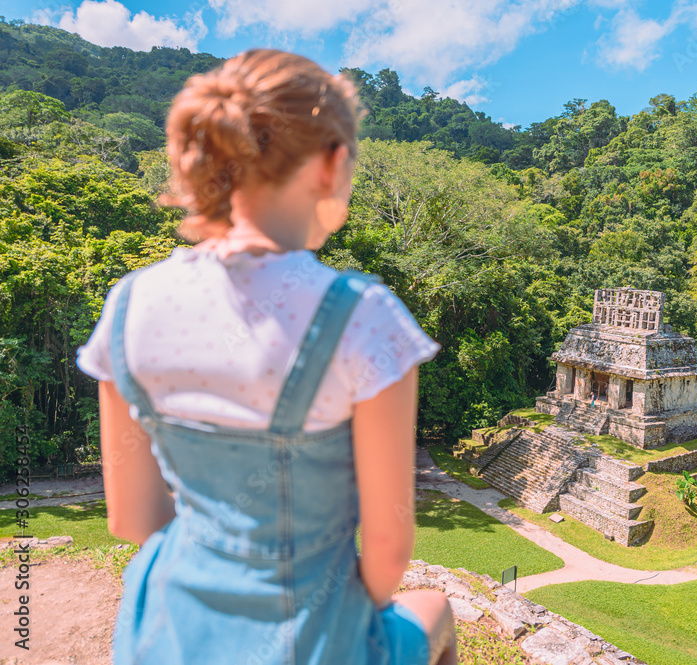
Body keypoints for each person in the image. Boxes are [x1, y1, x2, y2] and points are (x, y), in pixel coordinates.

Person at [76, 49, 457, 664]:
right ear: (332, 165)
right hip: (308, 635)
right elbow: (387, 553)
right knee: (433, 609)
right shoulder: (358, 314)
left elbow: (131, 518)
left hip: (166, 629)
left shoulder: (132, 303)